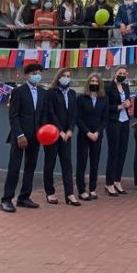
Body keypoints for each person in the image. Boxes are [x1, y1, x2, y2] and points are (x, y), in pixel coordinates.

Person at [0, 63, 47, 212]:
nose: (37, 76)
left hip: (36, 136)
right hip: (20, 136)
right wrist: (20, 134)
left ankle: (24, 197)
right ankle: (6, 199)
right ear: (27, 75)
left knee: (30, 167)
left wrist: (42, 132)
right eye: (34, 73)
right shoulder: (18, 92)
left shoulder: (43, 92)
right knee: (14, 167)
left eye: (39, 73)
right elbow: (13, 115)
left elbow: (43, 114)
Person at [43, 69, 80, 206]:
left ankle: (69, 194)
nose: (66, 78)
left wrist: (70, 130)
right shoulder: (51, 93)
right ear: (58, 78)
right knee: (50, 163)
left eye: (68, 76)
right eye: (63, 76)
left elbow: (74, 114)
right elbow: (51, 112)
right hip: (53, 134)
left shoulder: (72, 93)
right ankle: (50, 192)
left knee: (67, 164)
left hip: (67, 135)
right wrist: (60, 131)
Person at [75, 73, 107, 201]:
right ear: (88, 83)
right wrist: (87, 132)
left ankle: (92, 188)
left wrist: (97, 133)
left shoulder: (103, 99)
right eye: (92, 81)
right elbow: (78, 118)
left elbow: (105, 119)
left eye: (96, 81)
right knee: (82, 162)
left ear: (100, 84)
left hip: (97, 136)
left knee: (95, 162)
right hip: (84, 135)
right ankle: (81, 190)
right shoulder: (81, 98)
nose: (94, 83)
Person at [105, 67, 131, 196]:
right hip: (114, 121)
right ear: (115, 74)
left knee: (122, 151)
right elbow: (105, 106)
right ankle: (109, 182)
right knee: (113, 152)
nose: (122, 75)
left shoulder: (126, 86)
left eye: (124, 73)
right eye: (119, 73)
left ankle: (117, 180)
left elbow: (128, 100)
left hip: (125, 121)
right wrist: (119, 107)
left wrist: (128, 103)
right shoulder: (109, 87)